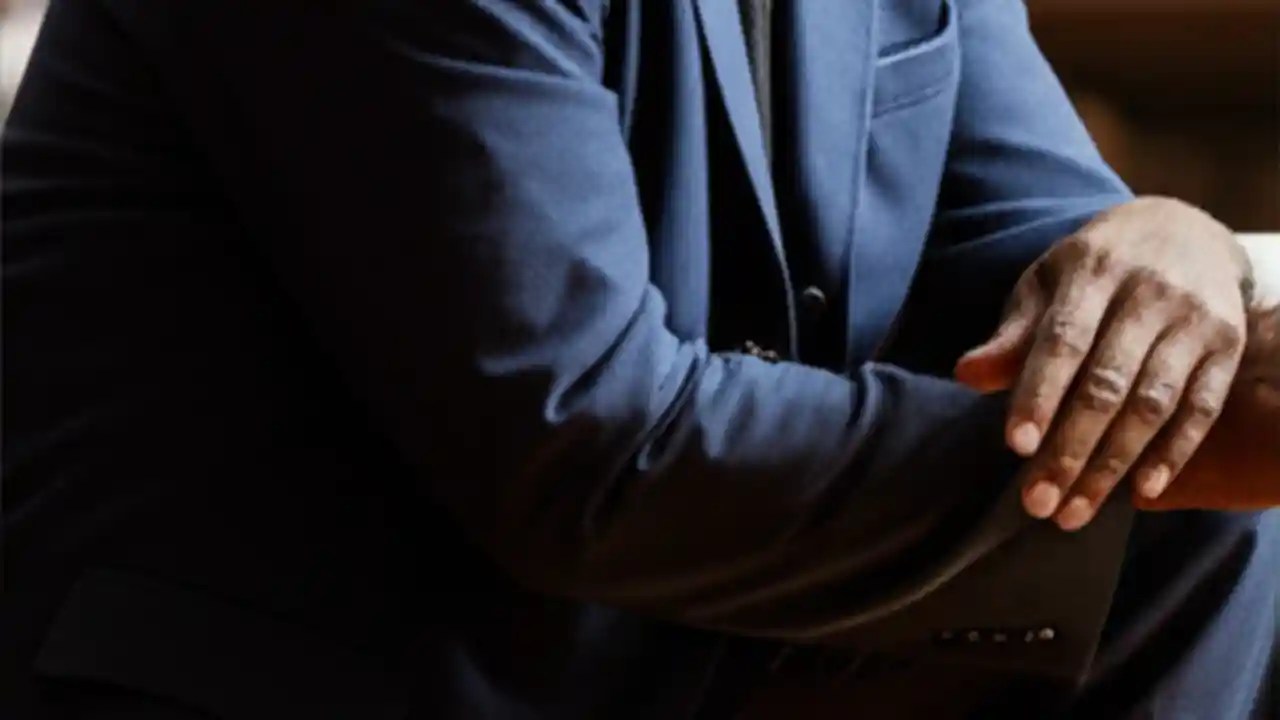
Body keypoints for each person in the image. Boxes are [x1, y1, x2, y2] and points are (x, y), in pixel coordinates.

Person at [1, 1, 1275, 718]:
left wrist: (1177, 243)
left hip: (657, 655)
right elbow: (584, 449)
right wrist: (1214, 437)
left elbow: (1057, 258)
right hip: (317, 685)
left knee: (1188, 500)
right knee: (1172, 500)